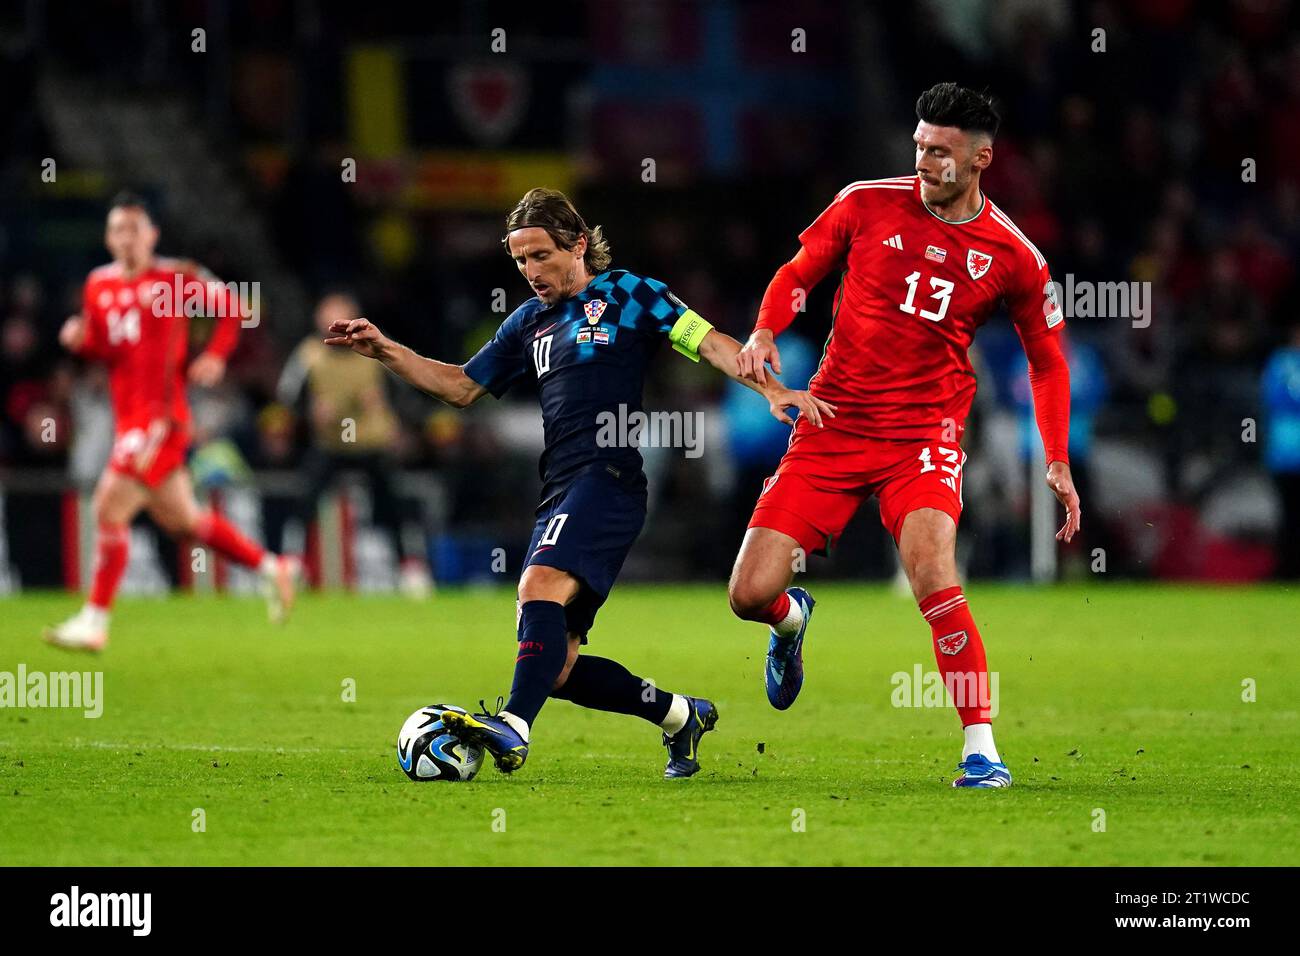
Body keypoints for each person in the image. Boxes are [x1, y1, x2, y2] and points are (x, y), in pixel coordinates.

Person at [326, 187, 833, 778]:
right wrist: (384, 349)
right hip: (560, 487)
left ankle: (513, 727)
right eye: (519, 260)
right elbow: (461, 387)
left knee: (538, 586)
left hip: (609, 477)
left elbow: (713, 343)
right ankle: (679, 716)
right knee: (557, 667)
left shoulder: (628, 294)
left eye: (541, 255)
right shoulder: (528, 323)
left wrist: (772, 389)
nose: (530, 271)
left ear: (579, 245)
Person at [728, 84, 1081, 788]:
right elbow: (799, 274)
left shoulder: (1015, 257)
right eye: (918, 147)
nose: (923, 162)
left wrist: (1059, 459)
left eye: (940, 151)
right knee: (746, 594)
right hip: (831, 424)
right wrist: (767, 326)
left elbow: (1048, 362)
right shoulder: (864, 202)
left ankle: (981, 747)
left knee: (932, 573)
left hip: (924, 435)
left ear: (982, 158)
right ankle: (790, 619)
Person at [43, 192, 299, 651]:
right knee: (187, 524)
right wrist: (80, 342)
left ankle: (94, 621)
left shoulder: (174, 278)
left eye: (135, 229)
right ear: (107, 237)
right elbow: (106, 349)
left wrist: (217, 357)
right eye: (118, 230)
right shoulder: (98, 285)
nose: (126, 238)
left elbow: (233, 306)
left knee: (107, 507)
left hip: (161, 419)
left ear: (152, 235)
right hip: (129, 419)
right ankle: (271, 568)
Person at [276, 292, 432, 596]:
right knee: (303, 502)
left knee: (393, 507)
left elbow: (409, 391)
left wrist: (387, 410)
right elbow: (286, 399)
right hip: (330, 444)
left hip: (372, 443)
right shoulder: (309, 355)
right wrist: (310, 413)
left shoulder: (374, 349)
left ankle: (411, 568)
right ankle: (292, 565)